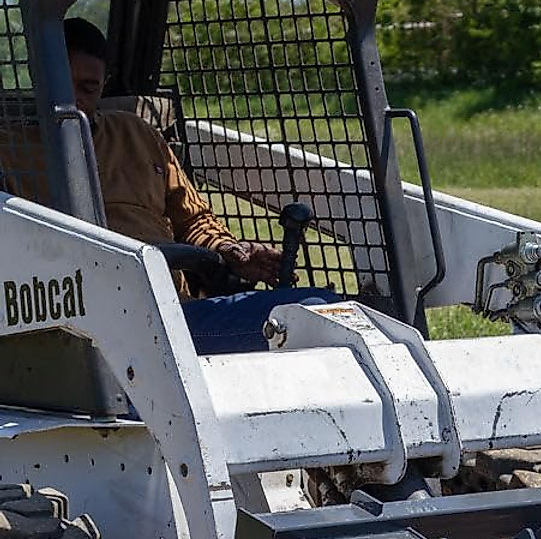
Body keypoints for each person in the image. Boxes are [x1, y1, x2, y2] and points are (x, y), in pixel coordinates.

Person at [64, 17, 337, 354]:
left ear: (104, 84)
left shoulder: (137, 135)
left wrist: (231, 251)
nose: (73, 99)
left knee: (323, 311)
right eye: (63, 85)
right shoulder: (13, 152)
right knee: (313, 319)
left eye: (88, 88)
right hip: (88, 322)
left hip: (169, 312)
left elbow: (193, 220)